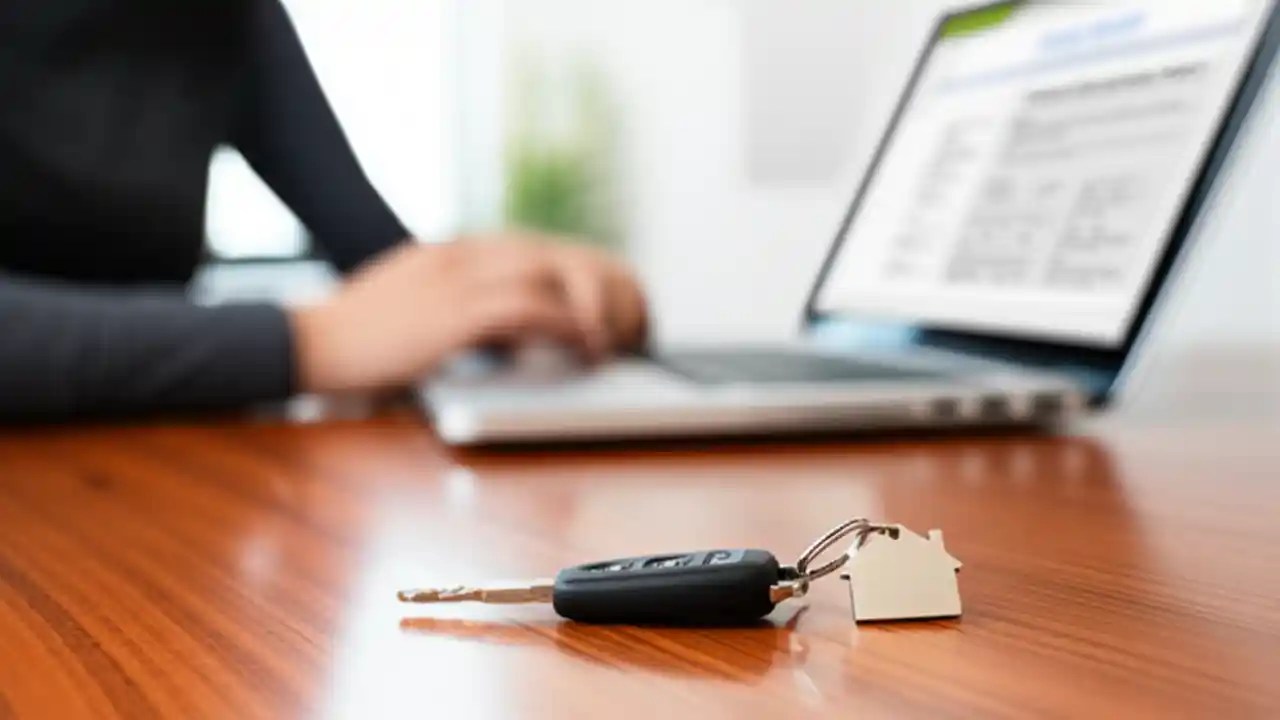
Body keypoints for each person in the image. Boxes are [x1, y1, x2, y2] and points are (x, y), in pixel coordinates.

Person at [0, 0, 647, 421]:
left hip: (162, 482)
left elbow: (382, 269)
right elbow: (346, 333)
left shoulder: (226, 19)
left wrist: (520, 286)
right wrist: (307, 342)